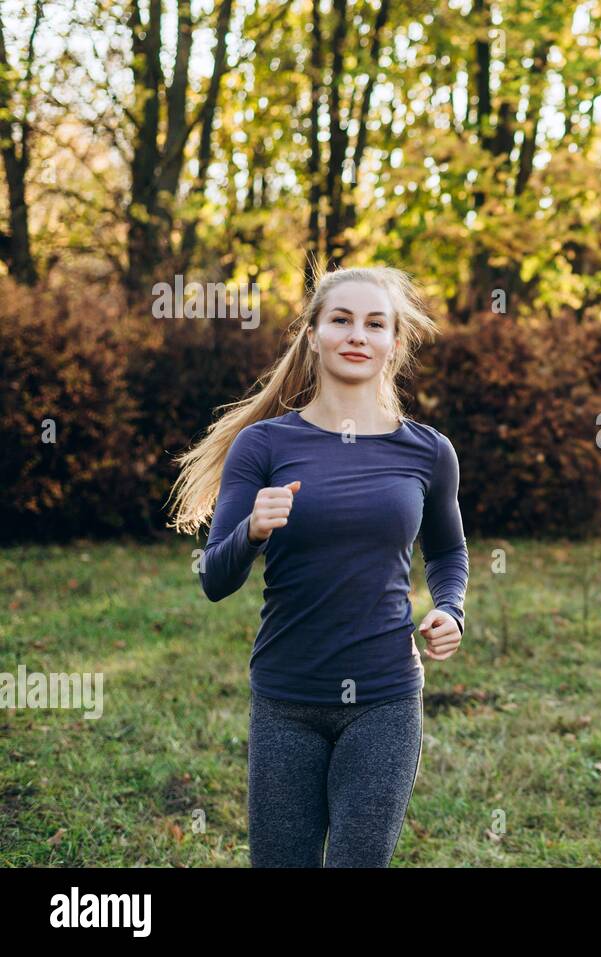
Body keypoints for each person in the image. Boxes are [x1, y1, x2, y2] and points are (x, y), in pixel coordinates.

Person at [167, 265, 469, 867]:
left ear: (394, 343)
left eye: (374, 324)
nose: (357, 335)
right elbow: (215, 580)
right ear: (312, 334)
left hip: (385, 697)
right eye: (341, 320)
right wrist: (251, 530)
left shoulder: (428, 451)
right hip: (286, 699)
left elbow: (448, 550)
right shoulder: (265, 446)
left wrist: (450, 608)